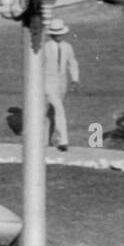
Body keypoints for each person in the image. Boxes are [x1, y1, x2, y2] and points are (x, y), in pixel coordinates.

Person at [42, 19, 79, 151]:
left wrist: (74, 79)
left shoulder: (67, 47)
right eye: (57, 34)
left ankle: (46, 141)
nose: (60, 36)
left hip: (61, 83)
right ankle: (63, 141)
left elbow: (72, 62)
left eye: (61, 34)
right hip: (48, 83)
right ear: (52, 34)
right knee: (59, 110)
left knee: (51, 113)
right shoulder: (45, 47)